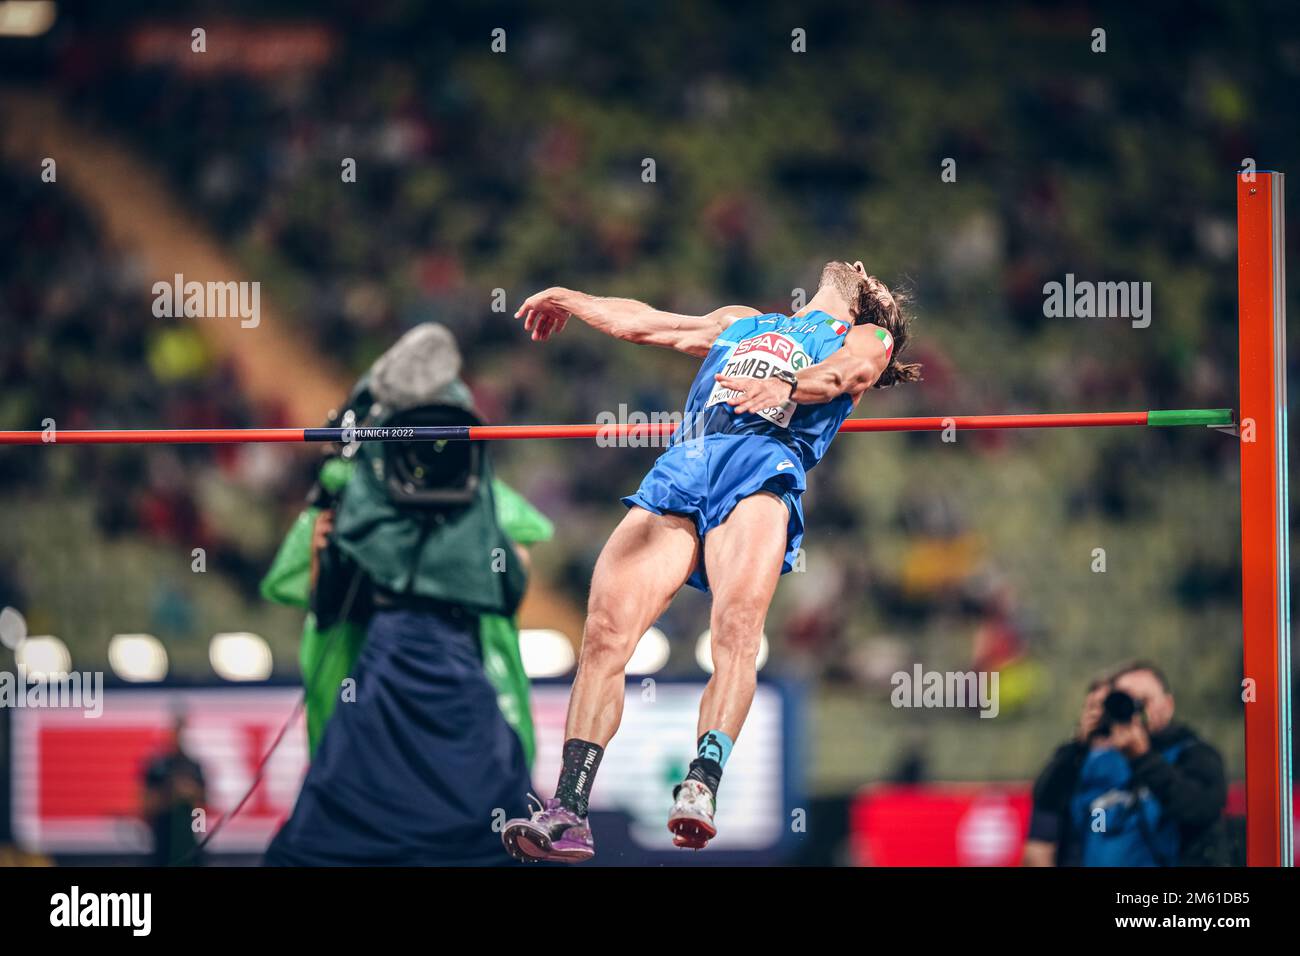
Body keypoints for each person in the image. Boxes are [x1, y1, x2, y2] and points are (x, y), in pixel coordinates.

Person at [501, 261, 920, 862]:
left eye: (866, 272)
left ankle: (702, 783)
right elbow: (651, 325)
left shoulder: (864, 336)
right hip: (687, 461)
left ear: (871, 303)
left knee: (736, 632)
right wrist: (574, 297)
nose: (853, 265)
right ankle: (568, 810)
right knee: (604, 637)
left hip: (760, 466)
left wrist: (787, 388)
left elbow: (843, 374)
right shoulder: (744, 323)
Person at [264, 323, 551, 866]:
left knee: (335, 823)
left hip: (398, 663)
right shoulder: (468, 497)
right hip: (434, 664)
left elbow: (328, 605)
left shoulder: (366, 488)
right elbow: (329, 604)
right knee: (490, 807)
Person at [1026, 661, 1229, 866]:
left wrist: (1143, 758)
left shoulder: (1193, 754)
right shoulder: (1096, 758)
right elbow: (1045, 800)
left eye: (1142, 701)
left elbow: (1200, 809)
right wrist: (1077, 745)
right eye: (1125, 700)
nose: (1135, 711)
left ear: (1168, 705)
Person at [140, 713, 206, 867]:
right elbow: (145, 803)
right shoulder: (157, 767)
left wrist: (191, 793)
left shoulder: (193, 766)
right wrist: (170, 795)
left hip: (187, 840)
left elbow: (203, 802)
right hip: (163, 840)